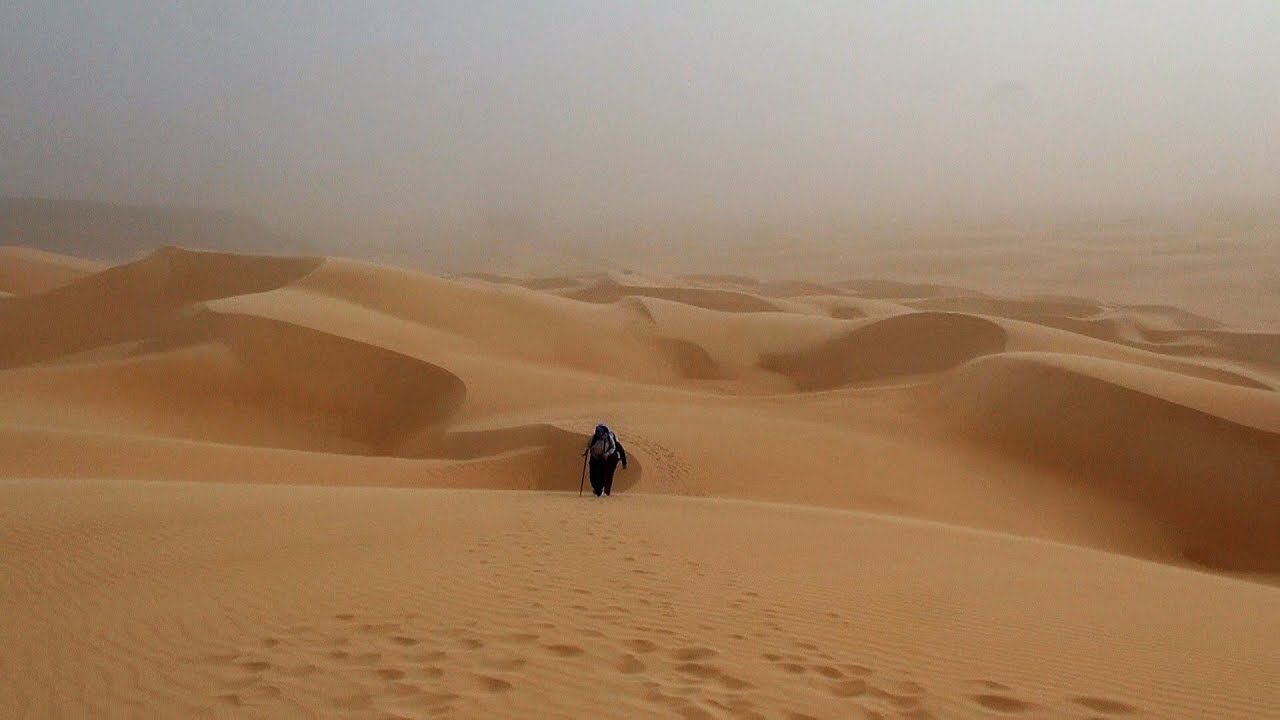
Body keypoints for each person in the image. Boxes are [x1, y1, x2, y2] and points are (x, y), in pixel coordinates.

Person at [584, 423, 627, 496]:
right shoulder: (594, 438)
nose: (599, 434)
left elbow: (619, 450)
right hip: (597, 458)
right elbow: (588, 446)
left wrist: (624, 463)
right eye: (598, 432)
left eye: (601, 432)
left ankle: (605, 491)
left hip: (609, 460)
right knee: (594, 475)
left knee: (607, 475)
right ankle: (598, 490)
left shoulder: (610, 439)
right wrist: (586, 451)